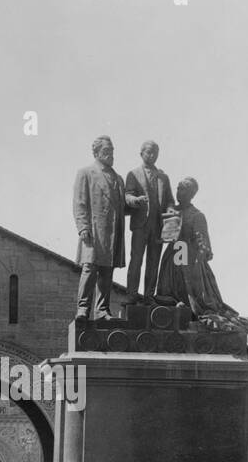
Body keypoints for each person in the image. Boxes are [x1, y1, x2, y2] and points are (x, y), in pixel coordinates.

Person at [155, 177, 248, 333]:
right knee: (168, 287)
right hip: (173, 254)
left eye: (183, 190)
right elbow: (165, 236)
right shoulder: (172, 211)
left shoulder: (197, 215)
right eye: (178, 189)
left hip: (188, 257)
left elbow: (202, 239)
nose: (179, 192)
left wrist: (202, 253)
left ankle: (187, 307)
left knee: (191, 290)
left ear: (191, 194)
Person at [72, 135, 127, 322]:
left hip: (112, 233)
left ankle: (102, 310)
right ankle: (83, 309)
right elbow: (79, 203)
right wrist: (83, 227)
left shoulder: (118, 179)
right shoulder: (86, 173)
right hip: (94, 231)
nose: (110, 154)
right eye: (106, 151)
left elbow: (121, 206)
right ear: (96, 153)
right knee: (90, 268)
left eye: (112, 151)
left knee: (107, 271)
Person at [122, 140, 175, 305]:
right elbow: (127, 195)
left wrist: (171, 211)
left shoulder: (163, 178)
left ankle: (148, 296)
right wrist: (136, 200)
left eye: (155, 153)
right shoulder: (133, 174)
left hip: (158, 226)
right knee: (136, 260)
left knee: (153, 262)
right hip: (140, 224)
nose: (152, 155)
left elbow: (170, 201)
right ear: (141, 153)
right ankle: (131, 295)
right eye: (149, 152)